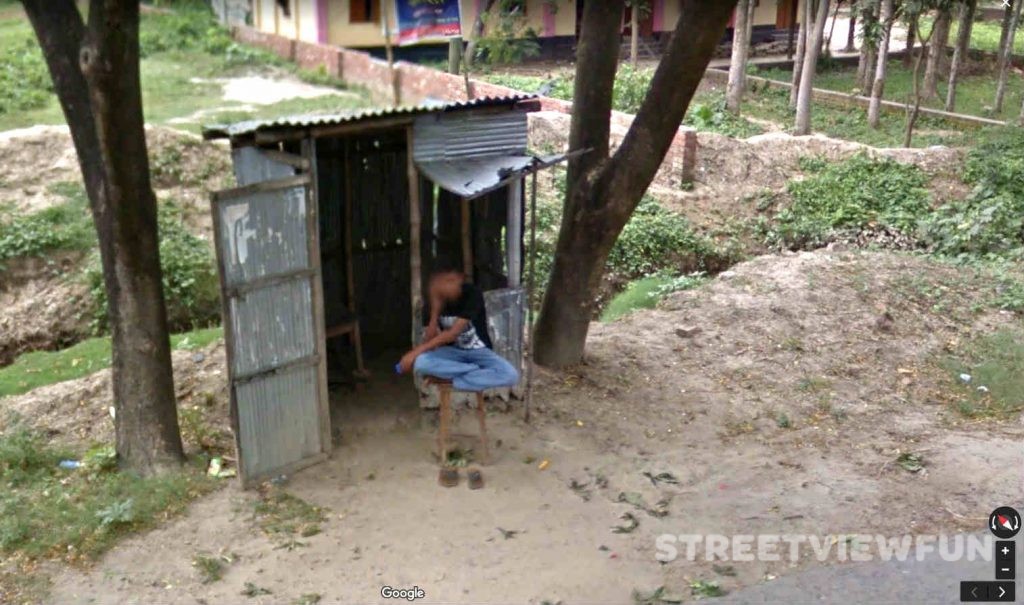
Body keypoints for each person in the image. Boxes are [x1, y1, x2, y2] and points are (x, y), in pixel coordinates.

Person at [397, 264, 519, 391]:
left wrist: (413, 352)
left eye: (449, 280)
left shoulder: (472, 293)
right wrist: (435, 310)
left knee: (511, 375)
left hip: (479, 351)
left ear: (460, 279)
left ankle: (454, 379)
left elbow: (452, 333)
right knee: (420, 363)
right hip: (453, 353)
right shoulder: (438, 300)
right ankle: (474, 371)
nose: (444, 286)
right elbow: (430, 339)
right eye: (440, 282)